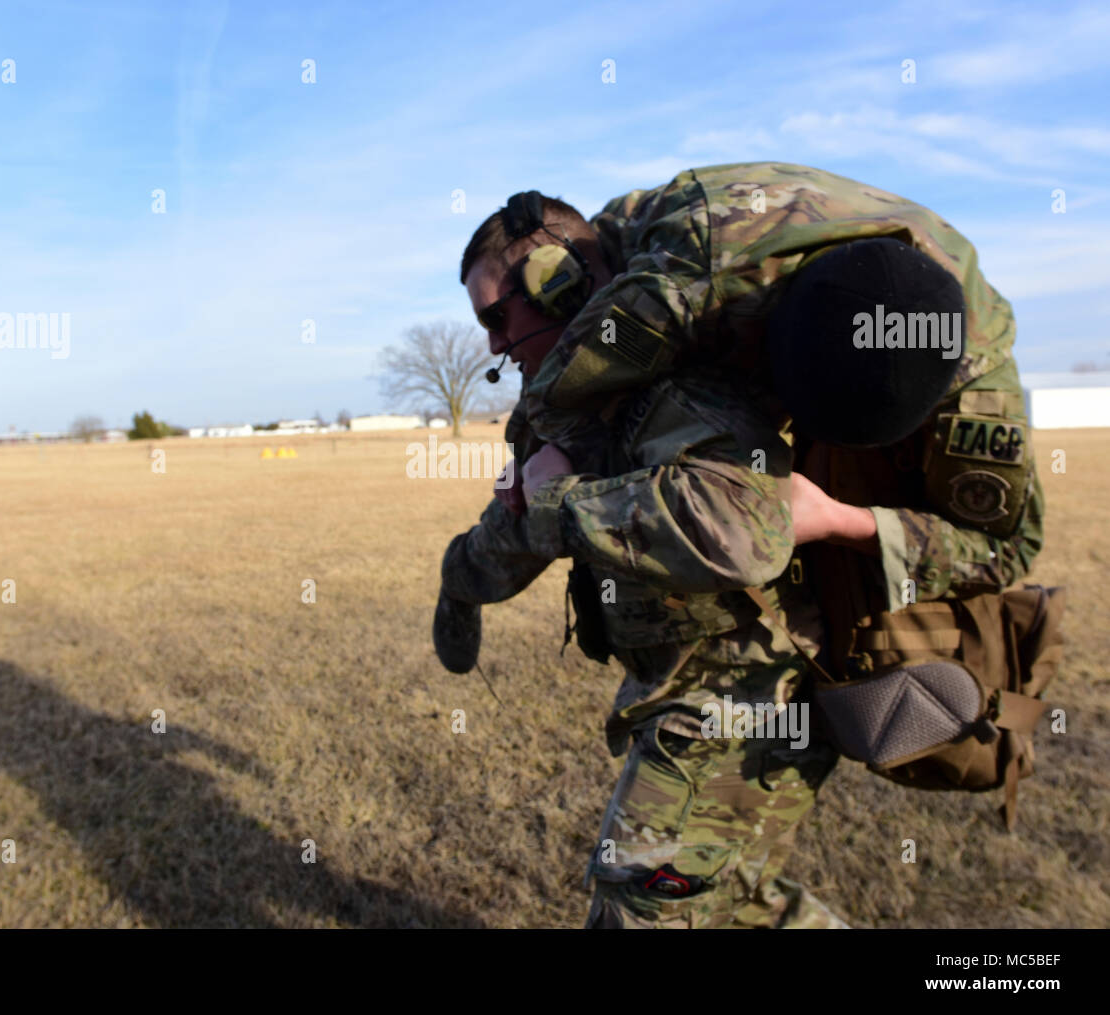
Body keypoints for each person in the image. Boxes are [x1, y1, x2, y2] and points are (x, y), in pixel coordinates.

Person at [436, 166, 1044, 927]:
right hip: (708, 654)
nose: (493, 347)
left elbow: (1005, 546)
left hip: (755, 671)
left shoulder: (973, 377)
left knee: (647, 905)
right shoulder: (659, 259)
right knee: (739, 902)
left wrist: (838, 519)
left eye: (498, 319)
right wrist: (481, 552)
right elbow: (561, 404)